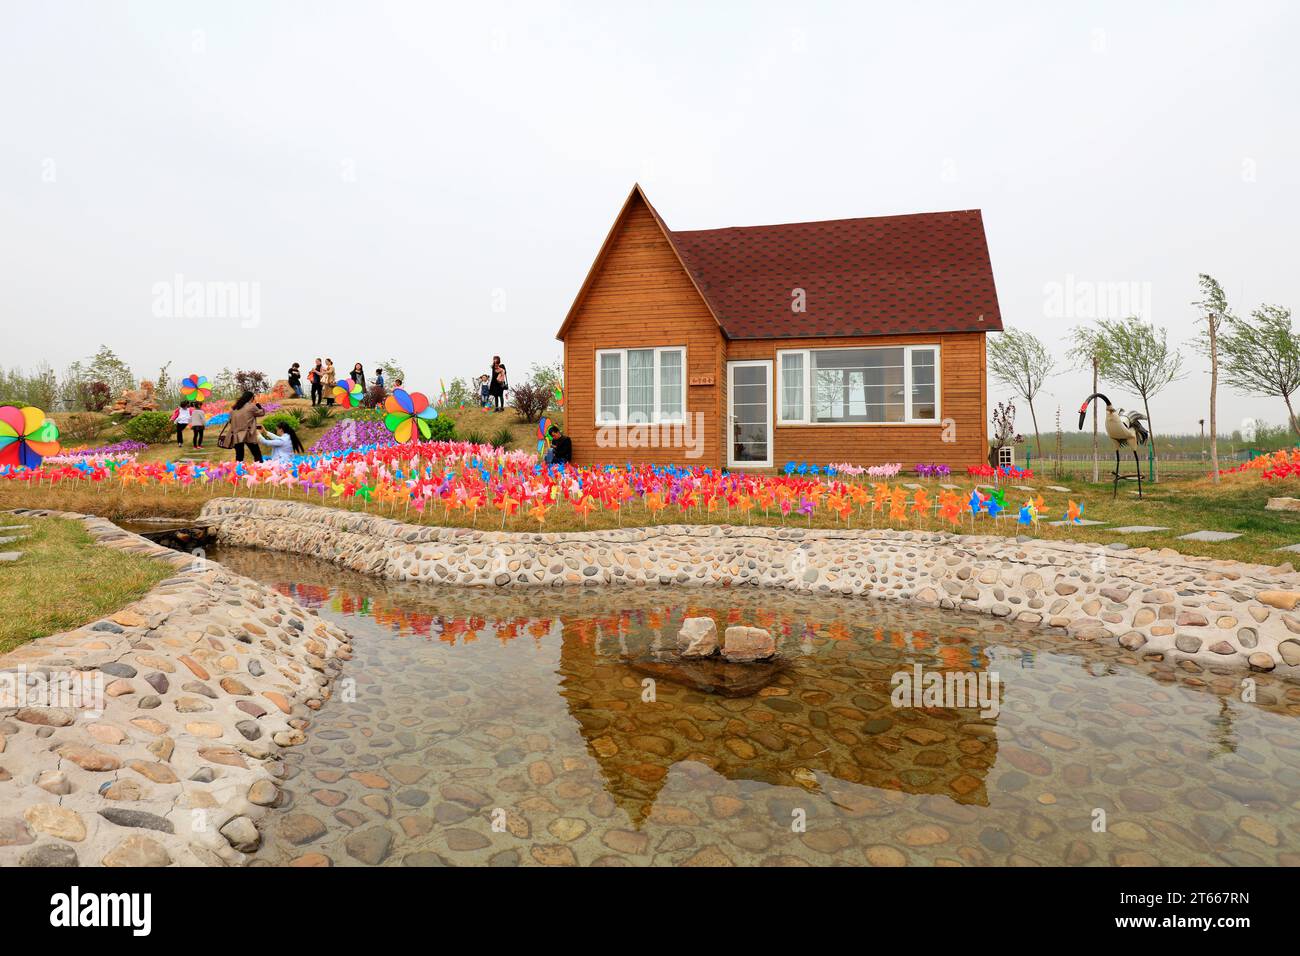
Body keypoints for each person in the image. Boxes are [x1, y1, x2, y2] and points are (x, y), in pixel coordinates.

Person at [228, 390, 266, 462]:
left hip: (237, 434)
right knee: (257, 454)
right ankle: (260, 469)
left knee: (239, 456)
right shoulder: (251, 406)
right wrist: (258, 405)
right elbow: (261, 413)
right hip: (248, 433)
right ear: (251, 398)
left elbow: (230, 420)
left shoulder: (234, 408)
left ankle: (238, 471)